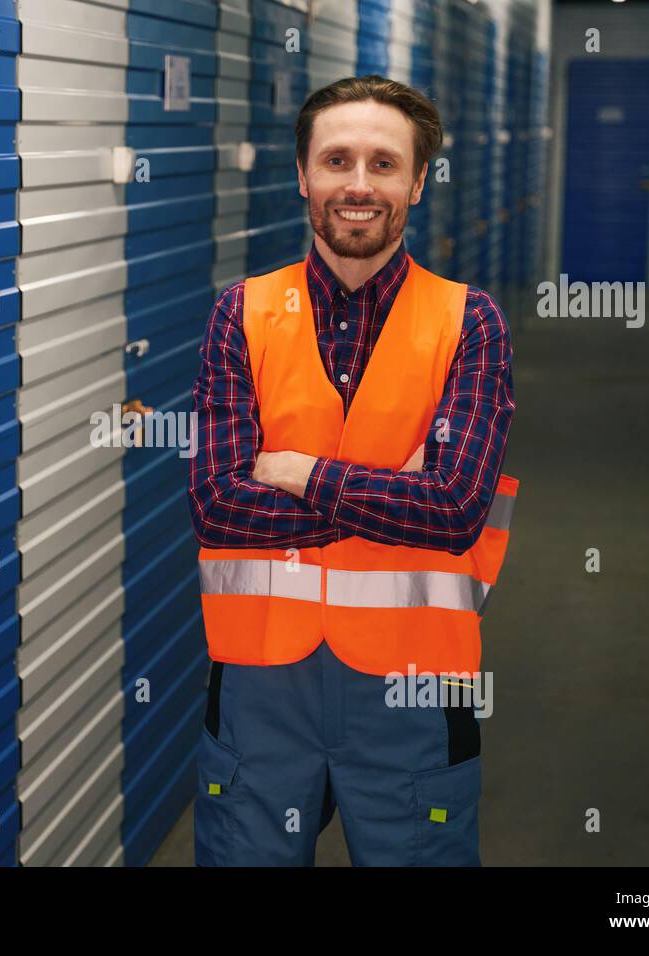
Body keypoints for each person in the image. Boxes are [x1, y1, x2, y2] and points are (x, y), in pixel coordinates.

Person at [186, 75, 519, 866]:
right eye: (337, 160)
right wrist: (395, 492)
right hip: (261, 684)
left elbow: (454, 510)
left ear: (418, 180)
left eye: (383, 163)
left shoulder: (470, 324)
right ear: (303, 175)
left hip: (413, 688)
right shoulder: (243, 314)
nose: (359, 185)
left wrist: (298, 470)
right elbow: (217, 505)